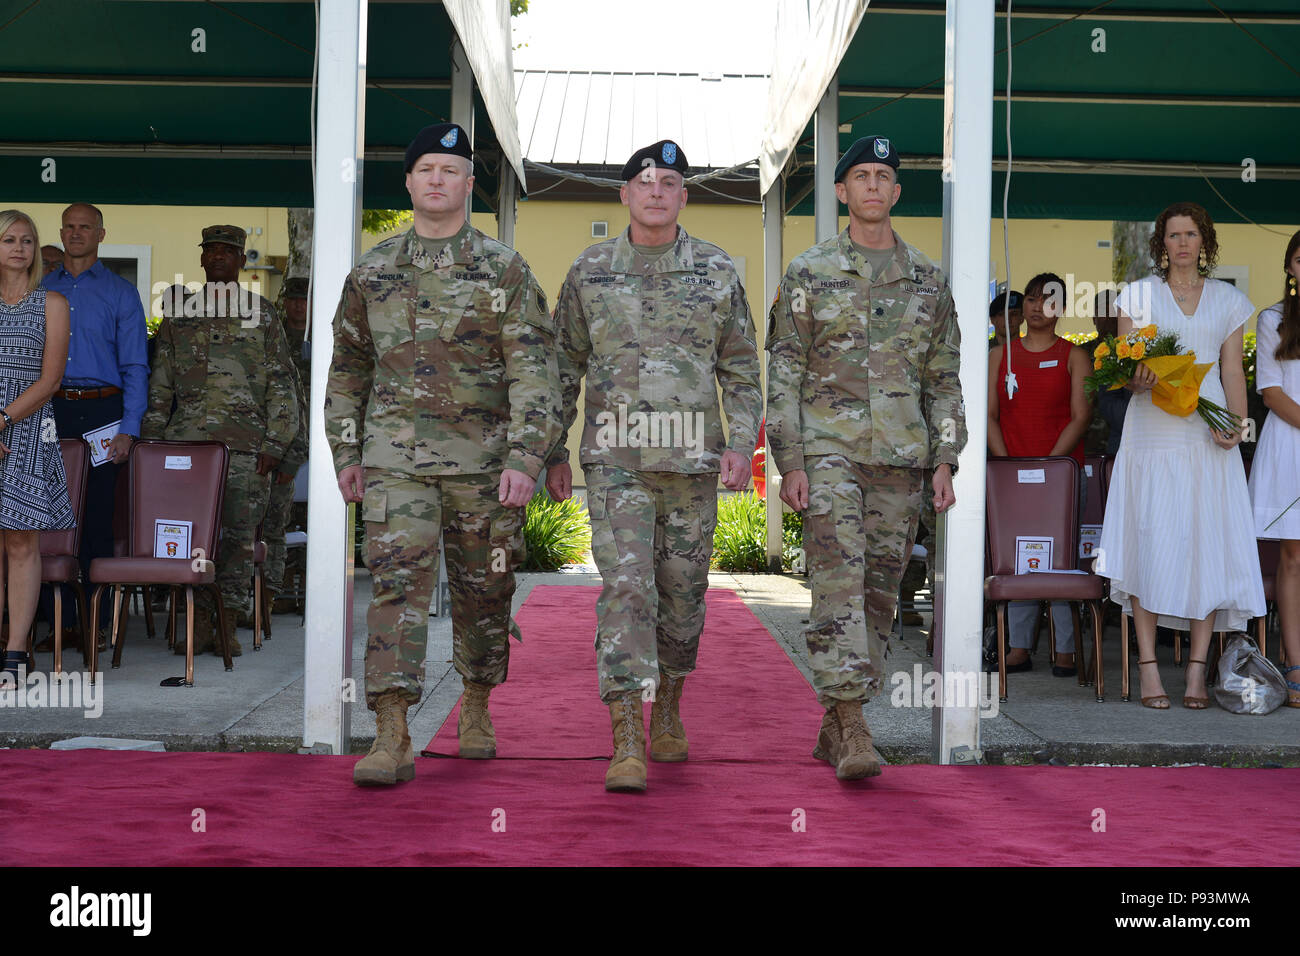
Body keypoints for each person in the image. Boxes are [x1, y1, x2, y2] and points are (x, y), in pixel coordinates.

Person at [327, 123, 560, 787]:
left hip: (485, 466)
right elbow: (347, 370)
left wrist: (525, 457)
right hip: (395, 460)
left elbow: (534, 371)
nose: (436, 179)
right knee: (395, 588)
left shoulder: (503, 270)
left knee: (485, 591)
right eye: (425, 167)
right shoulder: (372, 273)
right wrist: (347, 451)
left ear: (466, 184)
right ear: (408, 182)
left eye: (450, 169)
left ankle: (478, 699)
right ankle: (392, 729)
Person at [546, 139, 761, 793]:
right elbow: (561, 368)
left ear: (684, 197)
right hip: (617, 464)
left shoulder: (718, 270)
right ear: (625, 194)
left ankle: (667, 703)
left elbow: (742, 368)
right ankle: (626, 737)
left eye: (670, 182)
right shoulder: (590, 271)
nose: (657, 191)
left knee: (682, 599)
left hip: (693, 466)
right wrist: (552, 448)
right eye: (645, 181)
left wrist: (739, 444)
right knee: (627, 594)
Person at [766, 135, 967, 780]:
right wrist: (790, 459)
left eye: (885, 175)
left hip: (903, 458)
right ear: (841, 191)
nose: (874, 185)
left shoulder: (930, 282)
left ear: (897, 192)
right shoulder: (810, 271)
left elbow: (945, 377)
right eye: (862, 175)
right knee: (838, 583)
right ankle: (853, 723)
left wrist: (945, 457)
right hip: (829, 452)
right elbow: (786, 369)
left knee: (882, 591)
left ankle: (836, 719)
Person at [1098, 201, 1264, 709]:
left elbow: (1233, 371)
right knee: (1148, 542)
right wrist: (1136, 378)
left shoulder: (1228, 301)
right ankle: (1148, 670)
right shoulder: (1138, 295)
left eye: (1191, 234)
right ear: (1162, 244)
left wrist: (1236, 425)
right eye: (1174, 235)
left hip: (1206, 438)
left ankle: (1195, 674)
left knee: (1204, 549)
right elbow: (1125, 368)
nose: (1183, 243)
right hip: (1151, 437)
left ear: (1204, 240)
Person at [142, 225, 299, 657]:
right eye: (210, 250)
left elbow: (283, 386)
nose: (216, 258)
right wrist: (151, 445)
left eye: (226, 252)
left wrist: (276, 444)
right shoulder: (180, 313)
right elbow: (161, 383)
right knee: (185, 535)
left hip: (246, 448)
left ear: (241, 261)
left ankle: (228, 620)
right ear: (201, 259)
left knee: (237, 539)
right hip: (186, 446)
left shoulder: (261, 313)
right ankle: (193, 620)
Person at [40, 203, 149, 651]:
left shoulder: (121, 293)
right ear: (62, 232)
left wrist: (130, 427)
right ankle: (58, 622)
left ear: (101, 234)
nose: (76, 233)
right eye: (70, 226)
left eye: (86, 227)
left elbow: (137, 366)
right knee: (49, 518)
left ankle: (97, 624)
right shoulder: (40, 288)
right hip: (50, 411)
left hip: (105, 415)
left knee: (98, 522)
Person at [987, 272, 1092, 676]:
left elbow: (1081, 418)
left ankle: (1066, 649)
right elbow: (990, 417)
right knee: (1018, 559)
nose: (1036, 306)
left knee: (1060, 559)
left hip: (1062, 474)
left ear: (1060, 309)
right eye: (1031, 298)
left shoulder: (1074, 356)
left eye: (1047, 300)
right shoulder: (1000, 355)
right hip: (1011, 473)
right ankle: (1018, 646)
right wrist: (1010, 466)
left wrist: (1049, 465)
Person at [0, 210, 73, 680]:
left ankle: (16, 649)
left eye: (28, 240)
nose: (20, 248)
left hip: (26, 429)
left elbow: (51, 381)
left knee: (22, 542)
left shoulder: (53, 303)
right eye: (9, 239)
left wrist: (2, 420)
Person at [1248, 229, 1300, 707]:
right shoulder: (1274, 319)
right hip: (1289, 443)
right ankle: (1295, 663)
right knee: (1292, 556)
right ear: (1291, 268)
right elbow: (1271, 390)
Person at [260, 275, 310, 618]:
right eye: (292, 300)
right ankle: (271, 595)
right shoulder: (273, 337)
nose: (297, 306)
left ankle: (290, 590)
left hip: (307, 439)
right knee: (273, 522)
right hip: (276, 435)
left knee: (299, 520)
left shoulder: (320, 339)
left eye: (303, 300)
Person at [1090, 288, 1130, 456]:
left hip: (1122, 446)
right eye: (1103, 312)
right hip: (1088, 446)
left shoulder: (1135, 354)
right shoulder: (1079, 355)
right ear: (1094, 318)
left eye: (1114, 311)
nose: (1109, 318)